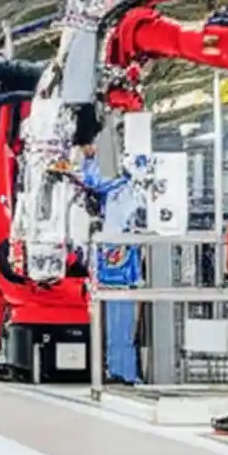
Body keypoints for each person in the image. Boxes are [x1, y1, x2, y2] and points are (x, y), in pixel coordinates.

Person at [79, 144, 143, 384]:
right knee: (114, 319)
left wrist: (89, 160)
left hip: (123, 260)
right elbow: (94, 181)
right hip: (113, 257)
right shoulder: (118, 187)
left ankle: (125, 372)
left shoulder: (128, 188)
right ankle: (119, 370)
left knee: (122, 320)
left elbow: (94, 181)